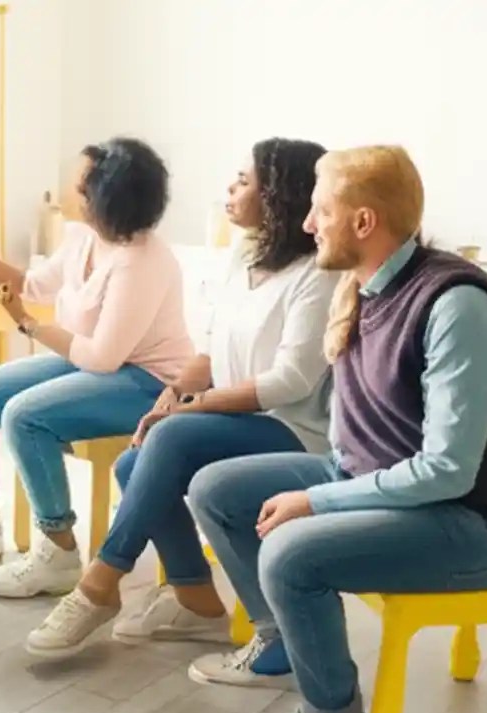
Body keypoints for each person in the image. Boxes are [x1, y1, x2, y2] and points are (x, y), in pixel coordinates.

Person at [186, 145, 487, 713]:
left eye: (320, 211)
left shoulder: (456, 305)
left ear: (364, 222)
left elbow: (448, 471)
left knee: (289, 555)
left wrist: (316, 500)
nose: (307, 225)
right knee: (215, 489)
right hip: (374, 480)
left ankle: (331, 712)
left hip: (474, 521)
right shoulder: (360, 284)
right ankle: (280, 641)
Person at [23, 138, 338, 658]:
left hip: (296, 429)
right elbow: (210, 351)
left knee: (169, 440)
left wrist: (200, 407)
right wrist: (171, 395)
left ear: (279, 195)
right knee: (133, 464)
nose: (230, 190)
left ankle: (100, 584)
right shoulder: (245, 258)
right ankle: (197, 600)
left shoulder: (317, 276)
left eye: (243, 181)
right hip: (241, 416)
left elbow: (290, 383)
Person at [0, 137, 195, 597]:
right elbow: (30, 284)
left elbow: (103, 356)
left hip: (150, 382)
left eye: (79, 181)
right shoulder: (82, 238)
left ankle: (58, 550)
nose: (68, 186)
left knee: (24, 416)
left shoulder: (142, 261)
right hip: (93, 366)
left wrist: (25, 324)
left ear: (102, 195)